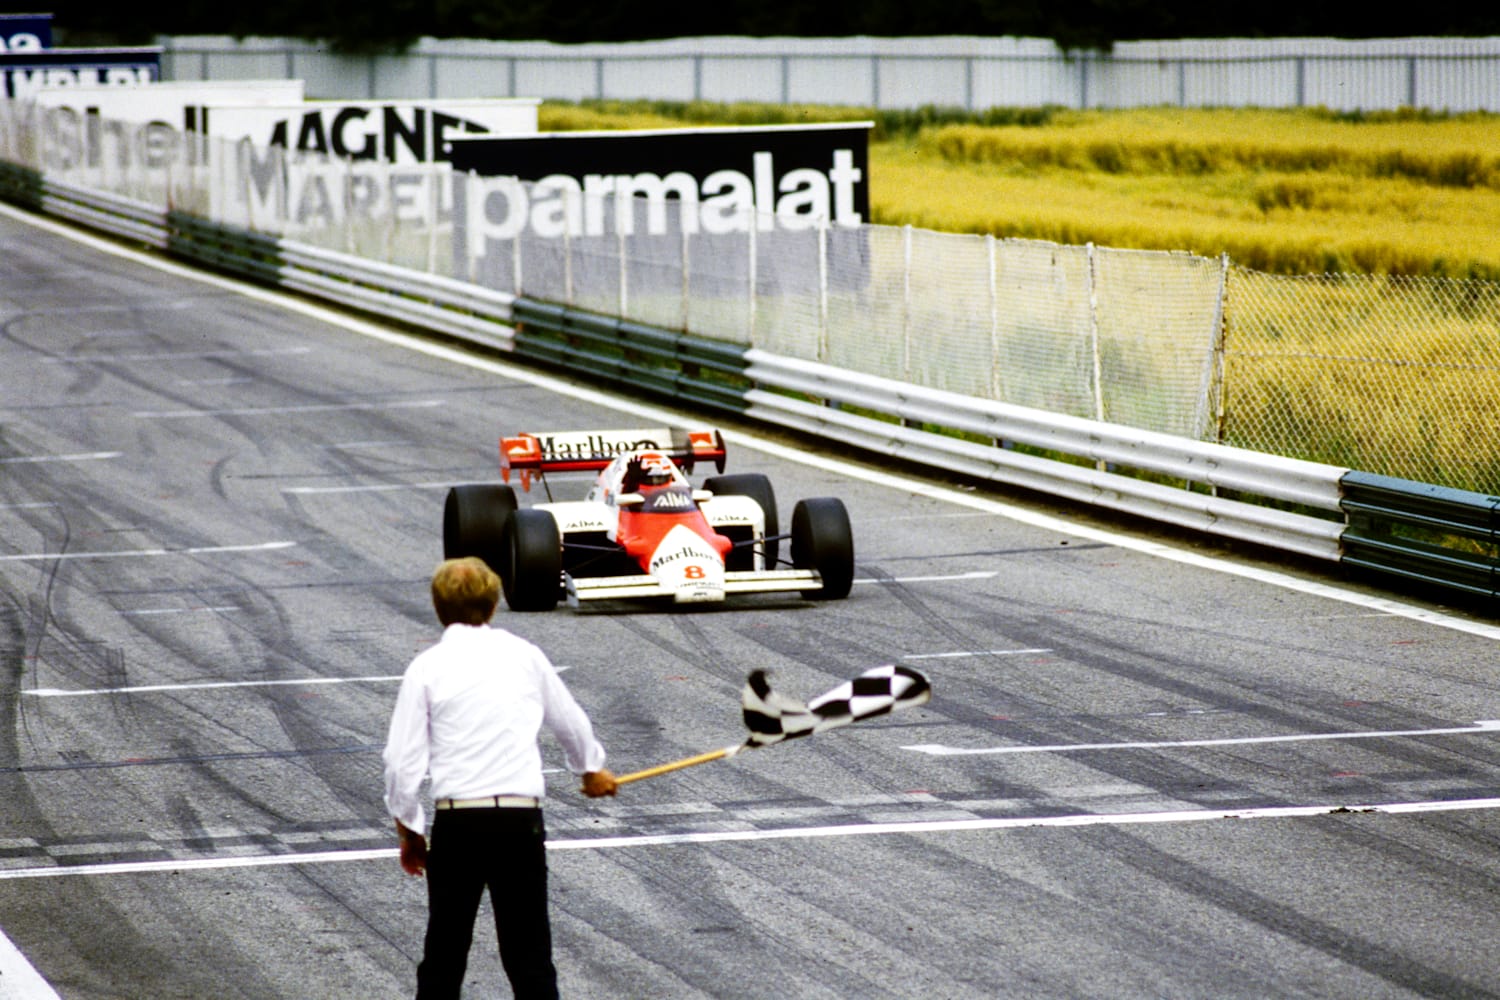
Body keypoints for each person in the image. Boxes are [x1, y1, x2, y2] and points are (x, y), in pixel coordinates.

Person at [383, 556, 618, 1000]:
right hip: (518, 821)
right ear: (493, 606)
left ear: (438, 608)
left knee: (444, 958)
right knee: (530, 958)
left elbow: (401, 762)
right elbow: (569, 722)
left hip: (460, 824)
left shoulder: (427, 668)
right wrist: (590, 769)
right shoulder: (524, 655)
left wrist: (410, 830)